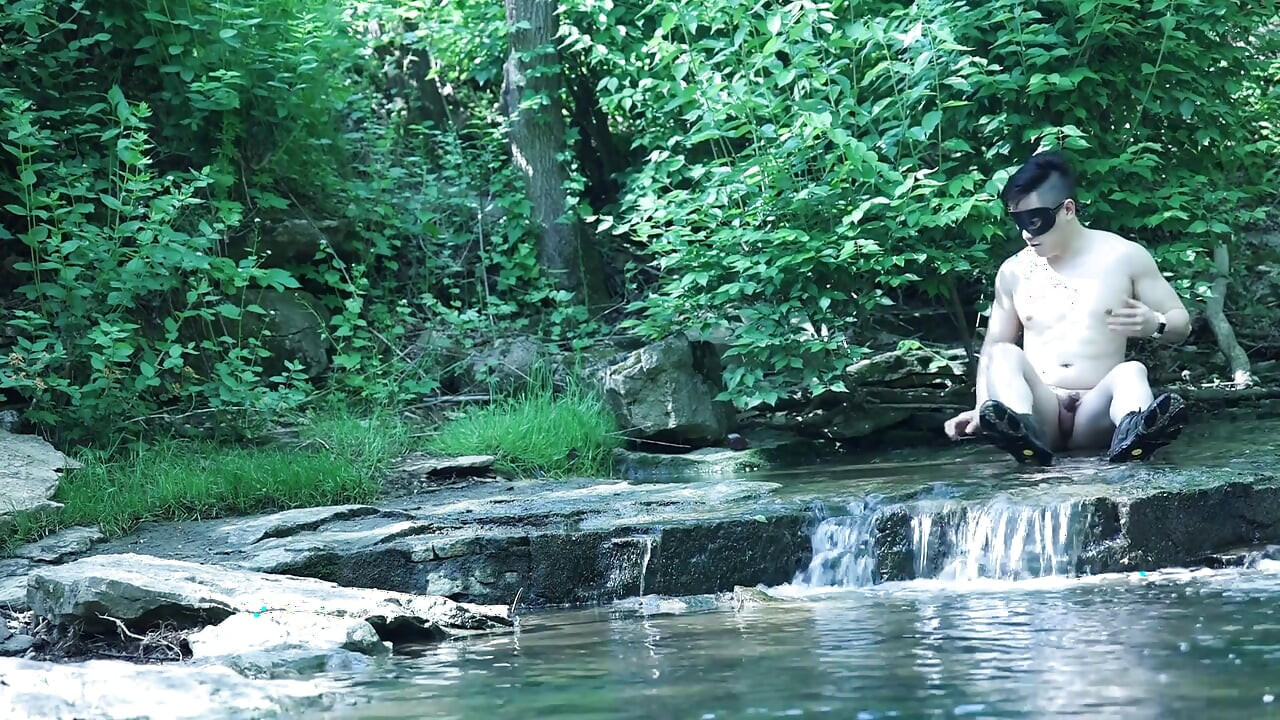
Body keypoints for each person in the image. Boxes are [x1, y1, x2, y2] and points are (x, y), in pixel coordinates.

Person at [943, 151, 1190, 465]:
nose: (1026, 233)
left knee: (1132, 371)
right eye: (1019, 221)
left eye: (1035, 220)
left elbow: (1181, 322)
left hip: (1096, 412)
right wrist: (982, 408)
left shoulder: (1123, 256)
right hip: (1043, 410)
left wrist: (1155, 324)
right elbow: (994, 350)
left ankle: (1136, 433)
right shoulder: (1014, 271)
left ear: (1068, 209)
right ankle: (1017, 428)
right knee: (1004, 354)